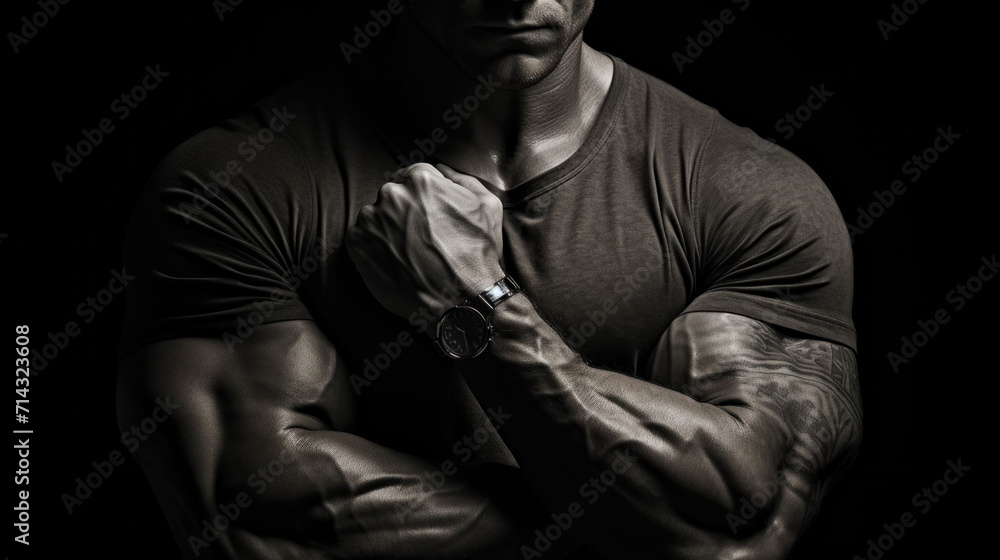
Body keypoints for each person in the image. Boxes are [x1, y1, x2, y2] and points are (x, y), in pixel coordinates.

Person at [116, 1, 862, 559]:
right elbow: (257, 524)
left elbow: (749, 525)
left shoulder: (746, 191)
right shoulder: (232, 187)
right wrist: (643, 521)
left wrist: (469, 301)